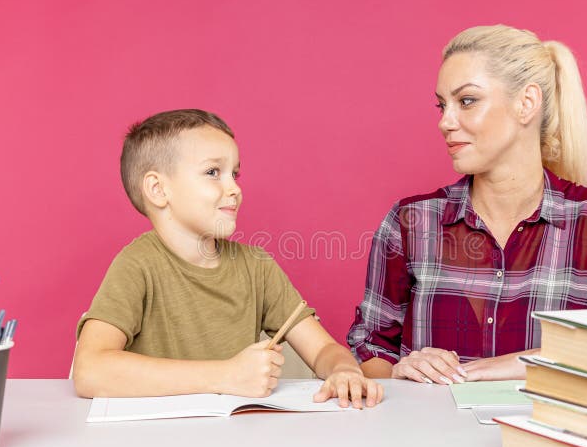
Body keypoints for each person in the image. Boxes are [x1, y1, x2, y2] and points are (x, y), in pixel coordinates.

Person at [348, 25, 587, 385]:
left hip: (551, 436)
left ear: (526, 103)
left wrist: (532, 361)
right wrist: (398, 373)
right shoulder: (411, 221)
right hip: (430, 437)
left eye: (466, 101)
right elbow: (371, 348)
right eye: (442, 105)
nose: (445, 122)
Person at [74, 109, 382, 408]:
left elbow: (324, 350)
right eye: (213, 173)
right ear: (158, 189)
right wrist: (225, 375)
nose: (234, 188)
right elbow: (90, 370)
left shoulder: (257, 267)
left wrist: (344, 370)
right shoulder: (136, 266)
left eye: (234, 174)